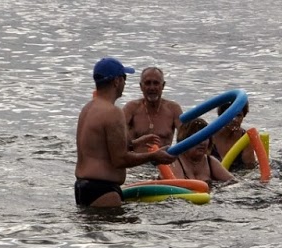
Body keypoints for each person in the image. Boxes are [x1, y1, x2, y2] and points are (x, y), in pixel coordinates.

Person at [74, 57, 175, 209]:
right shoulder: (113, 112)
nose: (125, 83)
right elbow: (120, 160)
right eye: (124, 78)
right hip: (103, 190)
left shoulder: (88, 109)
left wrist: (135, 143)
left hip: (82, 186)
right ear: (116, 81)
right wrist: (153, 156)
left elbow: (102, 148)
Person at [172, 117, 236, 190]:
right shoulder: (175, 162)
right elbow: (177, 189)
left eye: (205, 137)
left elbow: (234, 182)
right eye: (198, 138)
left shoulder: (210, 161)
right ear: (185, 140)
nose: (202, 143)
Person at [124, 66, 181, 148]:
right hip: (137, 159)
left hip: (164, 159)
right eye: (147, 83)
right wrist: (140, 141)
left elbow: (186, 137)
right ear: (141, 86)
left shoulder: (173, 109)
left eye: (156, 83)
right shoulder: (131, 108)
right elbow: (117, 139)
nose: (152, 88)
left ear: (163, 85)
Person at [211, 100, 256, 172]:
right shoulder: (209, 136)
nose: (235, 119)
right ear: (222, 115)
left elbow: (250, 169)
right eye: (231, 115)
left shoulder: (245, 138)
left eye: (239, 115)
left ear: (243, 116)